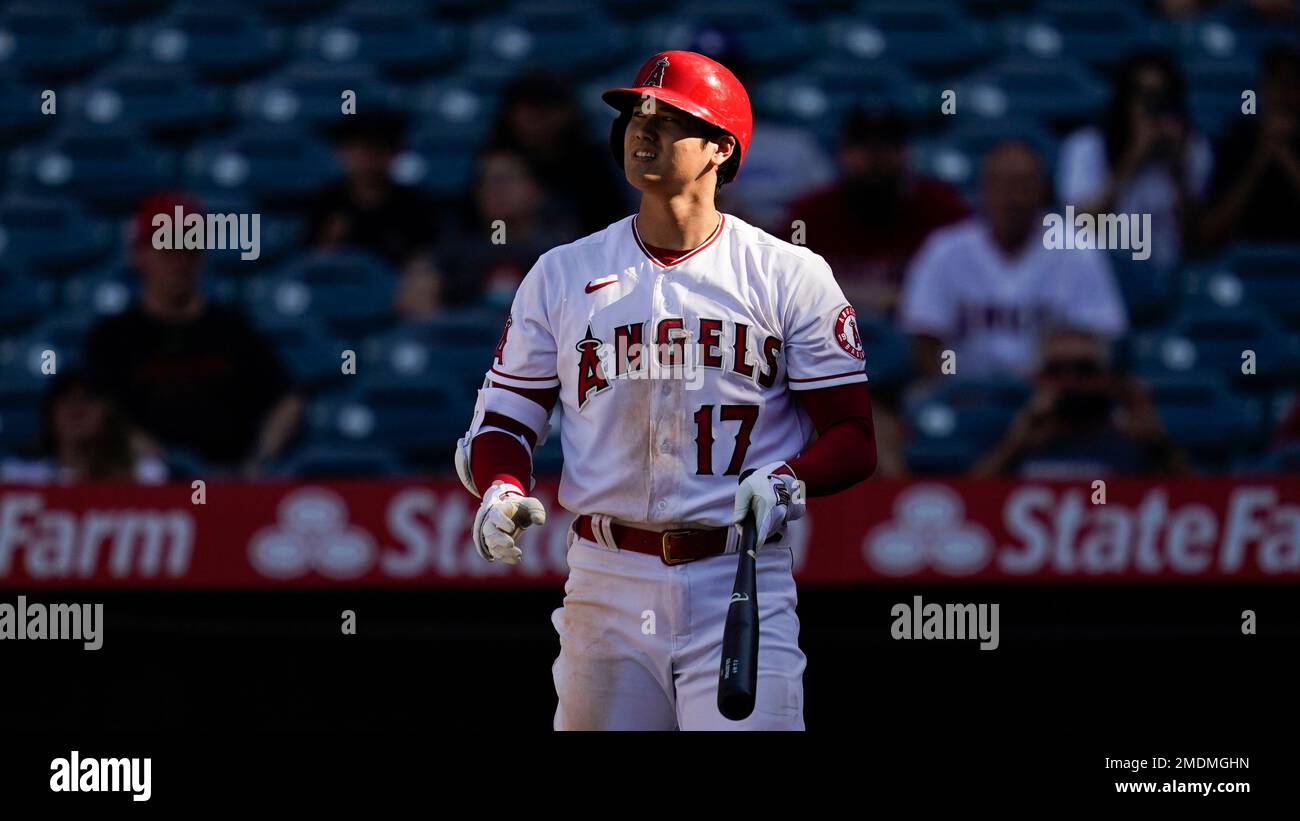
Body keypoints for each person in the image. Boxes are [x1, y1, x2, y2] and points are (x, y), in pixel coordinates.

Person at [454, 51, 877, 730]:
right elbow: (505, 421)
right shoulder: (562, 273)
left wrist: (788, 479)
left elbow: (855, 437)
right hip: (605, 578)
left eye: (670, 118)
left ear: (721, 149)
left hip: (737, 574)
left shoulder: (790, 273)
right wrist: (503, 486)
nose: (642, 130)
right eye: (634, 116)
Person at [86, 192, 303, 474]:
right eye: (167, 248)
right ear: (138, 255)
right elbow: (98, 409)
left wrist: (261, 457)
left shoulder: (231, 329)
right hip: (142, 488)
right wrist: (136, 448)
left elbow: (287, 400)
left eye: (189, 247)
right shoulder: (113, 338)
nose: (179, 261)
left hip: (225, 483)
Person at [899, 140, 1128, 381]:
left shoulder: (1076, 247)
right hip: (967, 396)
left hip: (1051, 396)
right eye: (1000, 184)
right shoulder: (945, 249)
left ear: (1042, 190)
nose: (1011, 197)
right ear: (983, 190)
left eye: (1022, 185)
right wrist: (948, 392)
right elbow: (923, 337)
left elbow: (1102, 338)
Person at [786, 109, 969, 317]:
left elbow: (969, 286)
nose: (874, 159)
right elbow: (781, 284)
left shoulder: (940, 208)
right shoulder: (811, 211)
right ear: (842, 154)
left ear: (905, 153)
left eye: (885, 148)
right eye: (864, 148)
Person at [1056, 50, 1213, 270]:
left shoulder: (1193, 147)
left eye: (1161, 97)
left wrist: (1179, 171)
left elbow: (1198, 240)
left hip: (1167, 275)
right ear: (1123, 99)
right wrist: (1133, 157)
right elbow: (1080, 228)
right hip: (1101, 273)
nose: (1150, 107)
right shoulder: (1086, 145)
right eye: (1142, 95)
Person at [974, 327, 1185, 478]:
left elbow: (1196, 510)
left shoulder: (1137, 443)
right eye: (1056, 370)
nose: (1070, 380)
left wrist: (1157, 444)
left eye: (1084, 369)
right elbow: (967, 505)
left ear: (1107, 377)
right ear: (1038, 378)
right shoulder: (1015, 441)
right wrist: (1015, 446)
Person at [486, 69, 628, 236]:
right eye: (528, 111)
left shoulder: (593, 165)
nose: (534, 121)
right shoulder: (499, 158)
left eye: (543, 110)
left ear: (567, 113)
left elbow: (608, 225)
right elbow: (491, 232)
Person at [436, 146, 580, 307]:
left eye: (504, 180)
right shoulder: (456, 254)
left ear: (535, 190)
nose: (495, 190)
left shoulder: (563, 253)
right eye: (485, 182)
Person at [305, 109, 443, 269]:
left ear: (394, 153)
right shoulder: (325, 202)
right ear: (342, 153)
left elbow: (428, 262)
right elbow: (309, 265)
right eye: (357, 149)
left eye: (376, 149)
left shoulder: (417, 206)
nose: (366, 159)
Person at [1200, 44, 1300, 245]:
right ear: (1263, 88)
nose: (1284, 94)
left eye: (1293, 83)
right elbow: (1207, 233)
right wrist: (1260, 158)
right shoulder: (1237, 140)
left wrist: (1283, 154)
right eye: (1277, 83)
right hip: (1241, 266)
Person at [0, 370, 168, 484]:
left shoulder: (145, 474)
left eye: (88, 400)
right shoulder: (18, 478)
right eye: (66, 400)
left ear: (107, 413)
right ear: (50, 414)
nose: (77, 409)